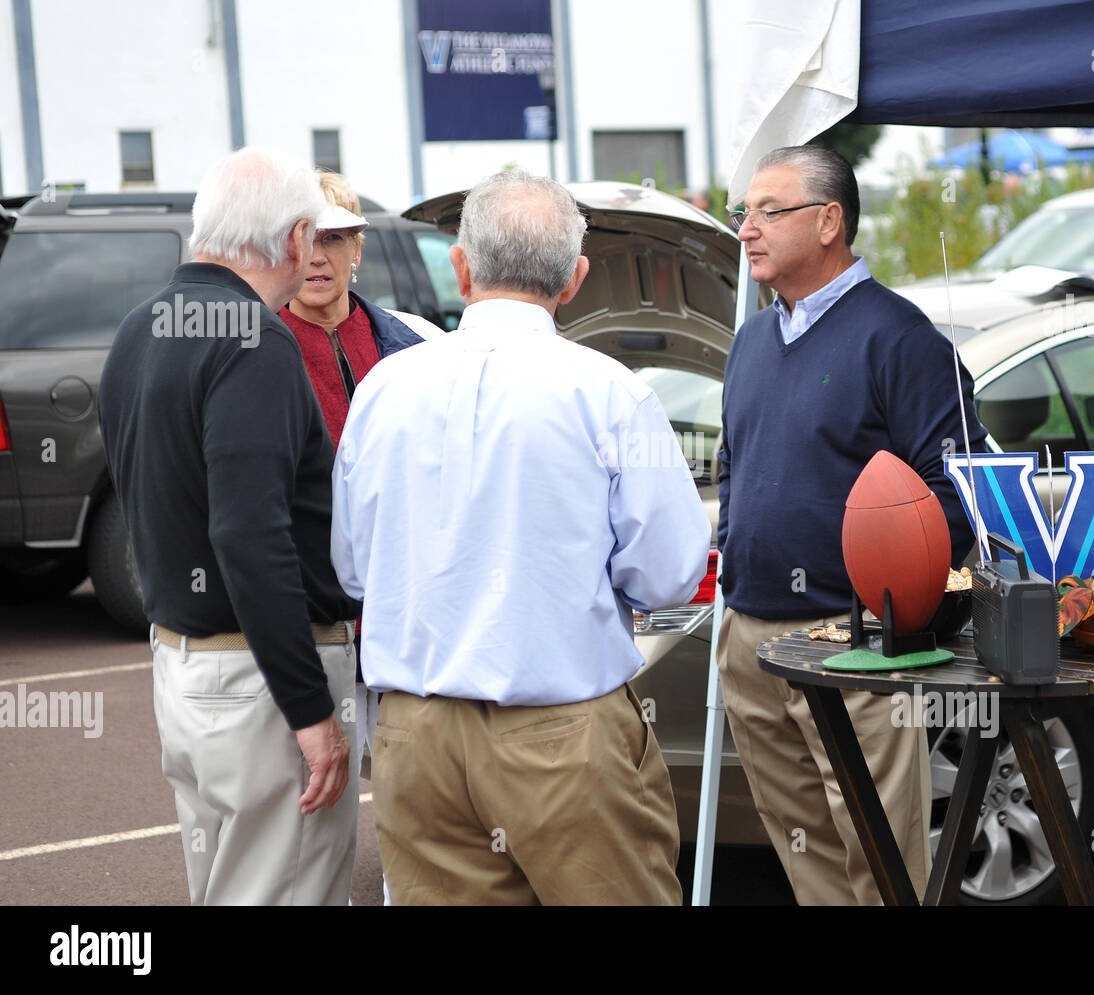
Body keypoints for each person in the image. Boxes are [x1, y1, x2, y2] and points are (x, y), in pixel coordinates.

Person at [331, 170, 710, 905]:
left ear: (461, 267)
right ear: (575, 279)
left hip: (416, 732)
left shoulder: (382, 386)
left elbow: (350, 564)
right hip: (562, 732)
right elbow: (668, 573)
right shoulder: (612, 392)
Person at [716, 145, 986, 905]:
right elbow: (735, 468)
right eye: (745, 213)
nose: (747, 230)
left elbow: (956, 490)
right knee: (806, 857)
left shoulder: (902, 339)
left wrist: (886, 612)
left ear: (829, 220)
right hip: (750, 639)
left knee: (880, 863)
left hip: (859, 643)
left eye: (770, 211)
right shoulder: (752, 339)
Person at [98, 147, 360, 905]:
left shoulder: (138, 330)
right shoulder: (256, 340)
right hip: (260, 682)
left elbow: (150, 496)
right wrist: (311, 710)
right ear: (293, 239)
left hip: (182, 668)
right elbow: (250, 536)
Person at [279, 171, 424, 764]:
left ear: (358, 249)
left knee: (409, 773)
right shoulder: (259, 349)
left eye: (335, 240)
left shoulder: (413, 344)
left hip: (401, 607)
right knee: (312, 796)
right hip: (309, 615)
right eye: (307, 239)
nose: (319, 257)